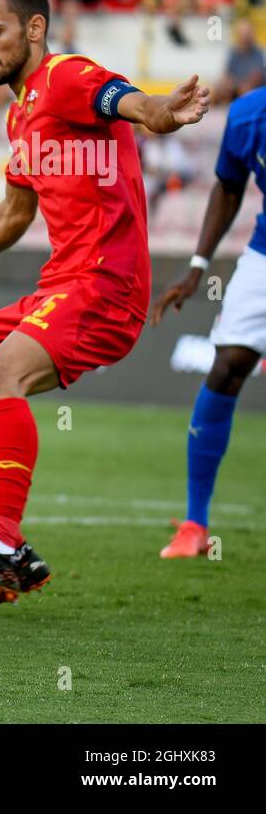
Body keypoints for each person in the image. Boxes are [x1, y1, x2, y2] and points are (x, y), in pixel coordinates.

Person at [0, 0, 210, 607]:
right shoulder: (22, 115)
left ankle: (0, 544)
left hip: (106, 286)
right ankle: (13, 550)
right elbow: (17, 211)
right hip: (58, 286)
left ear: (34, 29)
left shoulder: (65, 77)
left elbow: (123, 98)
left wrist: (156, 112)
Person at [149, 85, 266, 558]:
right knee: (226, 366)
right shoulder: (248, 115)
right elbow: (229, 186)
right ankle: (195, 525)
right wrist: (198, 266)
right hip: (263, 256)